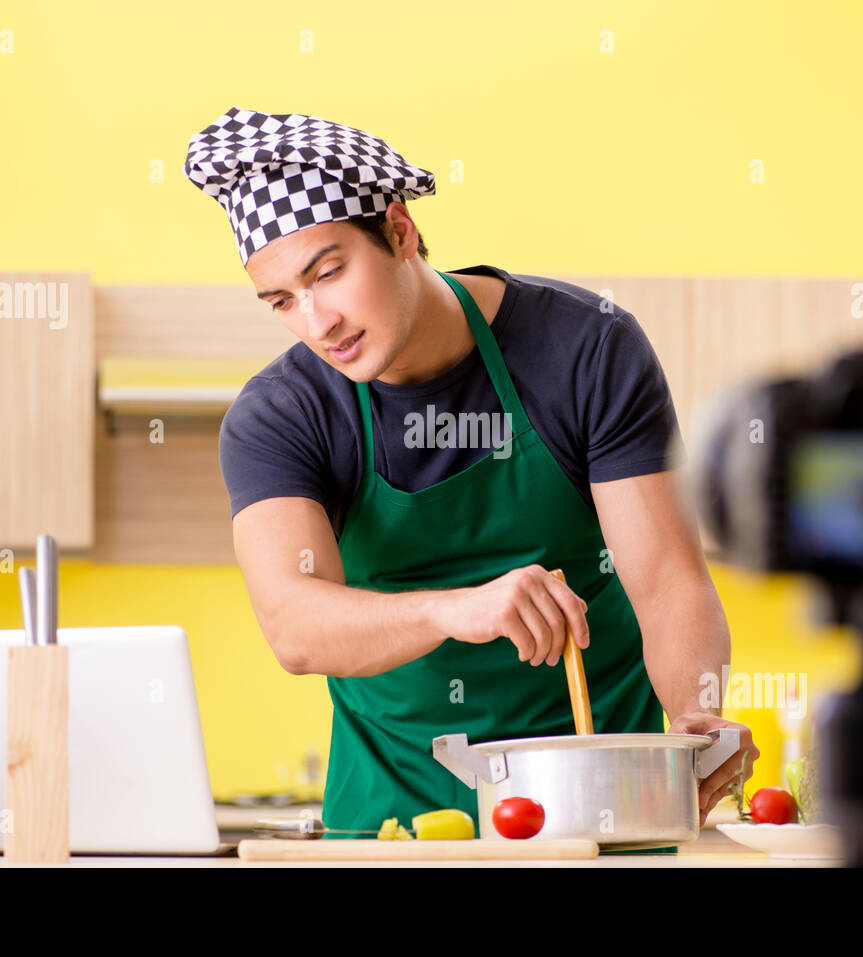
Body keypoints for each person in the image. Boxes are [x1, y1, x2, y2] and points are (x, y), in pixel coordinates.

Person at [184, 107, 757, 837]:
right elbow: (295, 622)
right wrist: (456, 607)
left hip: (602, 812)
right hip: (395, 829)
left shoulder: (586, 350)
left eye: (328, 273)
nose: (316, 322)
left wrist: (695, 714)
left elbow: (669, 579)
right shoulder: (282, 414)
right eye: (282, 302)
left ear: (399, 230)